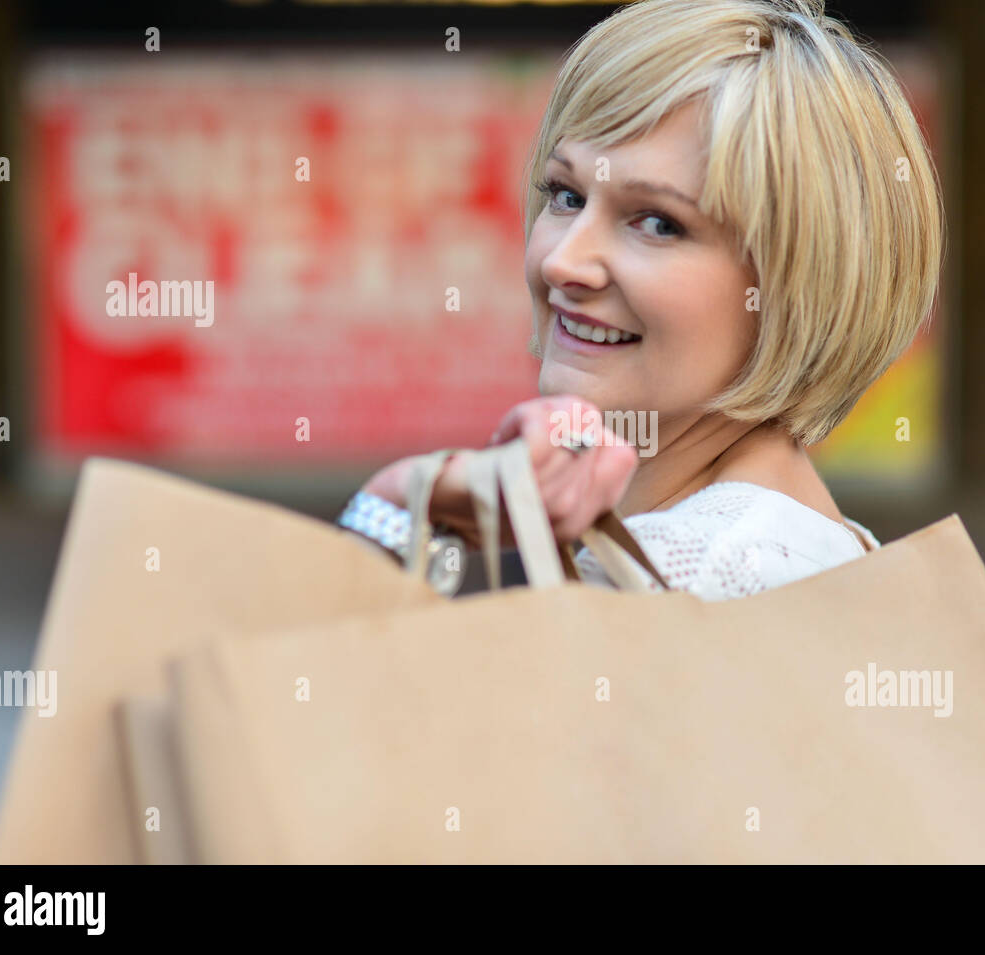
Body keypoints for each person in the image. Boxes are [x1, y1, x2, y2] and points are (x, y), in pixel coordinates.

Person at [339, 0, 943, 600]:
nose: (562, 262)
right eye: (567, 195)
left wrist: (390, 505)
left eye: (656, 223)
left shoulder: (685, 580)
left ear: (801, 281)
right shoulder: (820, 548)